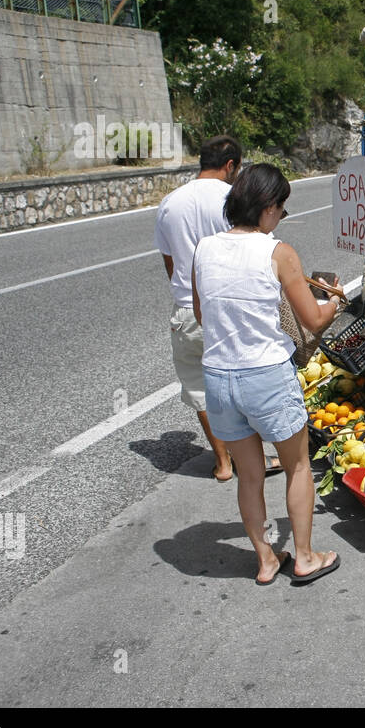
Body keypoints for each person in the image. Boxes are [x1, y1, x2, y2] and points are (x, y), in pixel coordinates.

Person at [192, 163, 343, 586]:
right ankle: (306, 557)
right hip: (266, 376)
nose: (280, 217)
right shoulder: (277, 252)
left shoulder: (204, 249)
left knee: (250, 474)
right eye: (282, 208)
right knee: (297, 468)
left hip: (220, 378)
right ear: (268, 207)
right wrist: (339, 303)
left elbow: (203, 315)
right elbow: (312, 319)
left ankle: (265, 561)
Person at [154, 135, 242, 482]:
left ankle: (223, 463)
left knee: (200, 386)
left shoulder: (169, 203)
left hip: (188, 309)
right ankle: (251, 457)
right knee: (239, 382)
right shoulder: (233, 199)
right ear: (231, 165)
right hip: (231, 307)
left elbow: (171, 263)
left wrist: (185, 296)